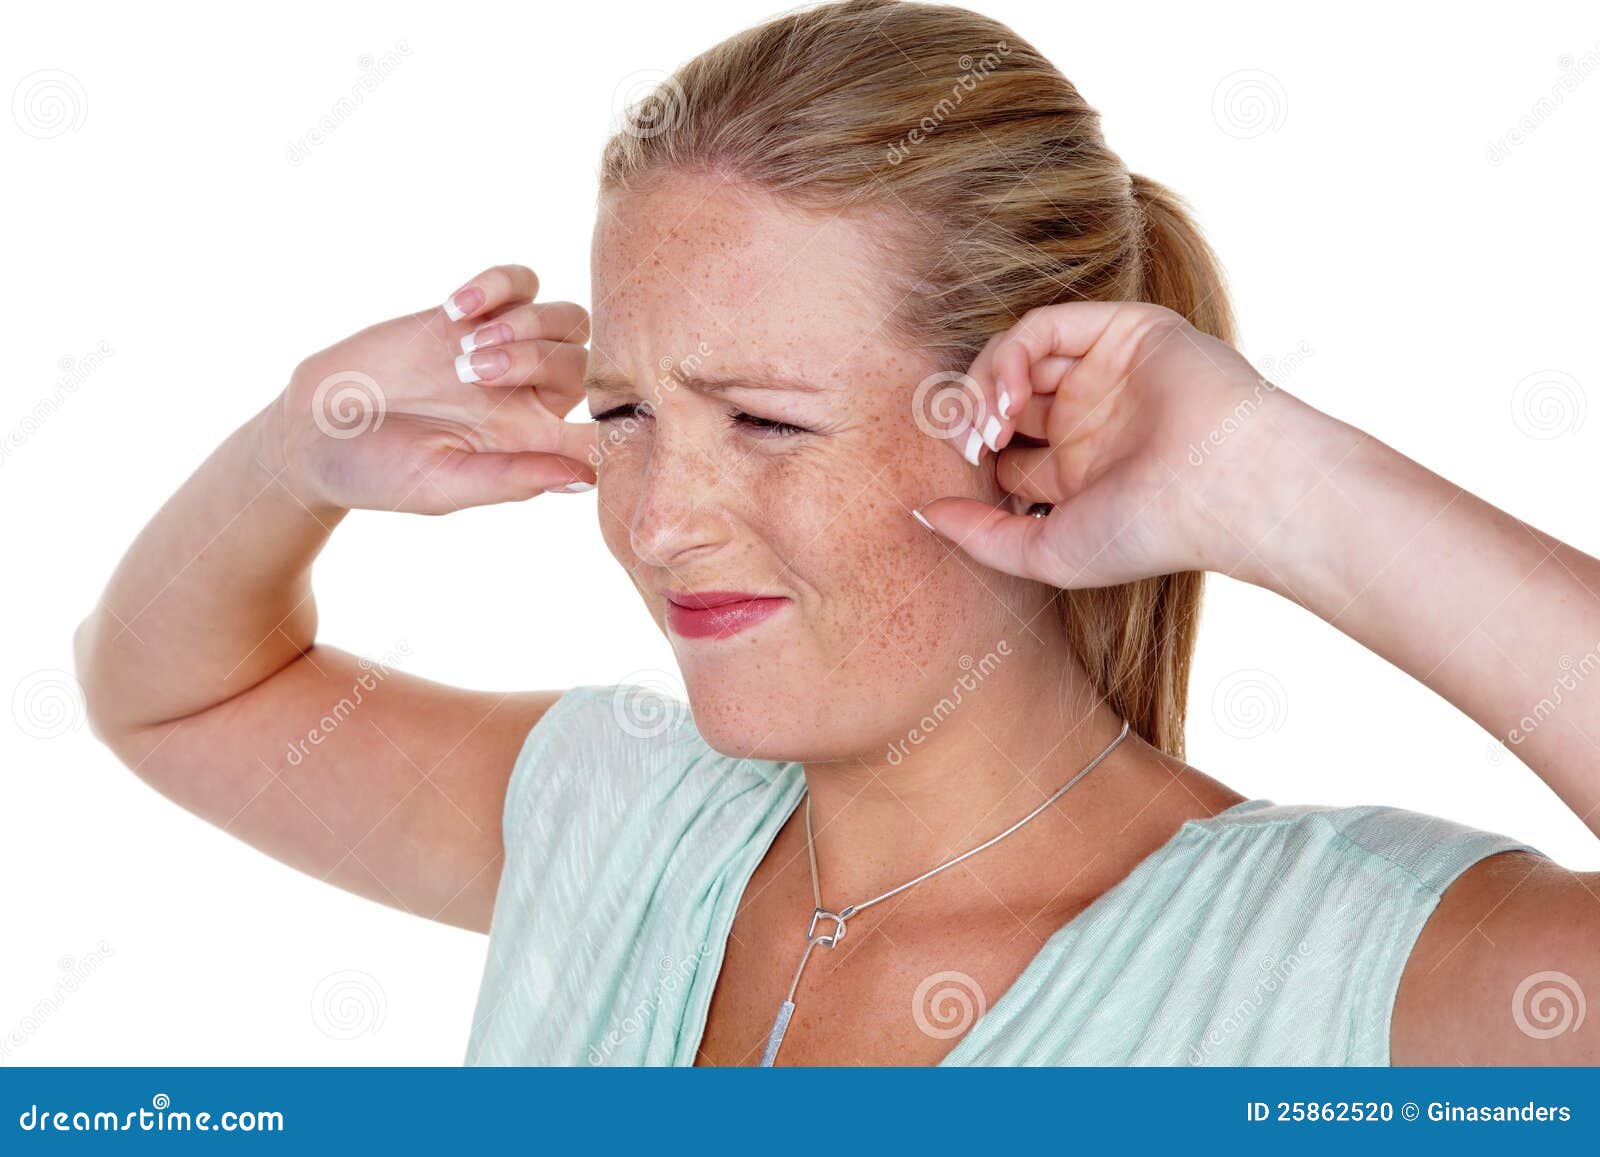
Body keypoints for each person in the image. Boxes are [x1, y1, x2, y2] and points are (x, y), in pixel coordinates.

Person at [74, 0, 1597, 1066]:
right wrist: (293, 453)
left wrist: (1283, 483)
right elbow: (171, 694)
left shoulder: (1357, 978)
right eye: (624, 412)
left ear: (1026, 424)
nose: (658, 522)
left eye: (766, 421)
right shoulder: (619, 821)